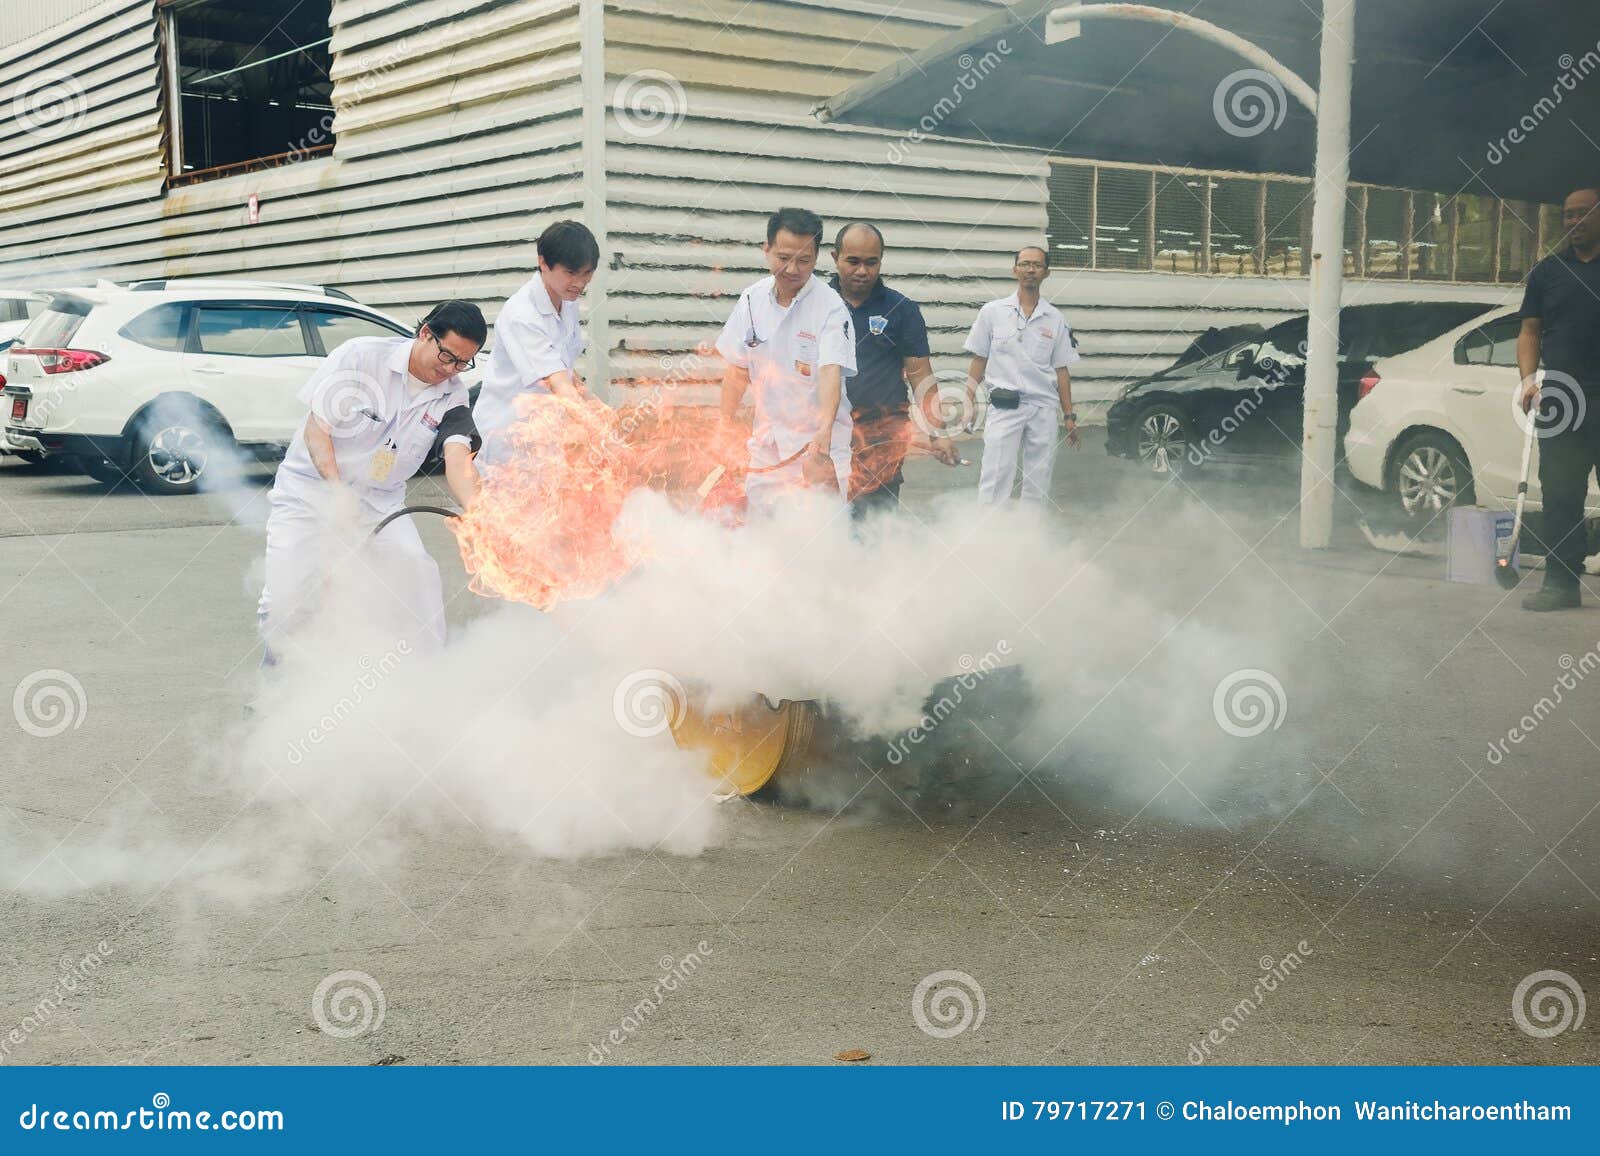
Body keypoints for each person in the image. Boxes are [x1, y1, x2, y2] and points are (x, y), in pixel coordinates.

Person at [258, 301, 486, 657]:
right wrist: (336, 492)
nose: (452, 370)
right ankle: (276, 687)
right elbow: (317, 430)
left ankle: (432, 674)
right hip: (310, 492)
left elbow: (458, 457)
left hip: (380, 500)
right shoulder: (361, 358)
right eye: (447, 357)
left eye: (463, 363)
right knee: (288, 593)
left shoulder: (452, 393)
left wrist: (480, 512)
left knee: (416, 572)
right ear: (426, 333)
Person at [716, 207, 857, 513]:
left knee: (817, 538)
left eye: (804, 260)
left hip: (815, 448)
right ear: (766, 250)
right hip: (767, 446)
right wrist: (723, 427)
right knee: (761, 536)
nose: (793, 269)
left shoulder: (831, 307)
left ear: (816, 257)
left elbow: (831, 371)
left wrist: (824, 432)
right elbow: (738, 370)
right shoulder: (751, 300)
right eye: (783, 258)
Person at [828, 221, 959, 516]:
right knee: (824, 521)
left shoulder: (901, 310)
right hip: (826, 434)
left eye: (871, 263)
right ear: (835, 257)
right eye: (853, 261)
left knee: (875, 523)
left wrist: (939, 432)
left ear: (881, 261)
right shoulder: (816, 305)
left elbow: (921, 375)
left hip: (881, 438)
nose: (862, 271)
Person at [1517, 184, 1600, 611]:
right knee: (1561, 493)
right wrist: (1529, 381)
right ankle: (1561, 583)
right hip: (1562, 399)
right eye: (1568, 215)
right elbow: (1529, 331)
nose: (1573, 222)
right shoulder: (1547, 272)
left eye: (1583, 213)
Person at [964, 246, 1081, 506]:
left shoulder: (1055, 319)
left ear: (1047, 273)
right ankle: (988, 533)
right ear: (1014, 269)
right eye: (1025, 264)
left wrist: (1069, 416)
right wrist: (968, 400)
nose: (1030, 270)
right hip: (1006, 407)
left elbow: (1062, 370)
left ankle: (1029, 536)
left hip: (1043, 409)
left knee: (1039, 480)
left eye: (1037, 265)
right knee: (995, 475)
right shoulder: (992, 312)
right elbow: (979, 359)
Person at [474, 220, 599, 460]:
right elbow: (557, 382)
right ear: (543, 262)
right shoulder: (522, 313)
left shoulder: (568, 303)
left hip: (544, 436)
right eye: (571, 273)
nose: (580, 283)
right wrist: (597, 429)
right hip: (507, 437)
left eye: (587, 273)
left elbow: (567, 372)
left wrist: (601, 409)